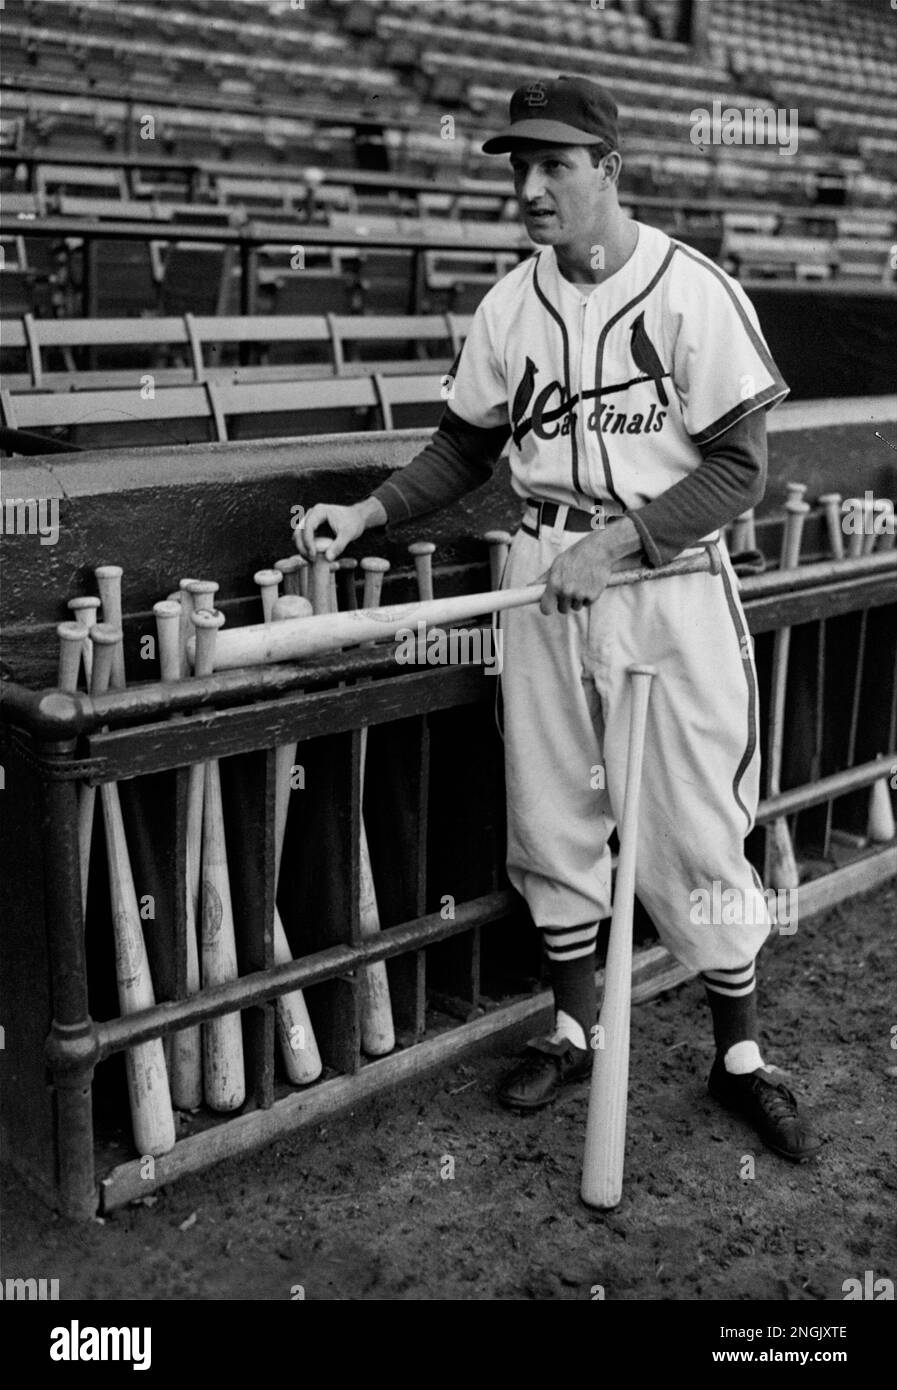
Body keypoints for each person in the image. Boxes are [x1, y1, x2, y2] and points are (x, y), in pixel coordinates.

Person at [298, 75, 820, 1162]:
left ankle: (739, 1056)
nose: (529, 188)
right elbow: (464, 449)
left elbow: (741, 469)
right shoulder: (509, 304)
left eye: (553, 166)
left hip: (665, 585)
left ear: (608, 168)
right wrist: (369, 512)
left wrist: (620, 541)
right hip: (545, 573)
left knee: (695, 822)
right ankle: (575, 1025)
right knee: (550, 813)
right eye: (516, 168)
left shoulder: (692, 291)